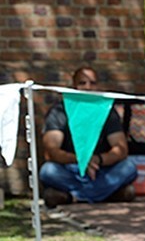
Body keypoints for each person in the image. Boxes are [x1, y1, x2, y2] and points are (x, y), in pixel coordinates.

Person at [39, 66, 138, 207]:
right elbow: (51, 151)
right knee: (48, 171)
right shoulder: (59, 111)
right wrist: (82, 160)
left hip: (101, 169)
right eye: (82, 83)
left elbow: (121, 149)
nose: (88, 87)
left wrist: (97, 159)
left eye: (92, 83)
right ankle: (102, 194)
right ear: (73, 86)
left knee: (129, 167)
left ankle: (76, 197)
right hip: (71, 169)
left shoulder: (107, 111)